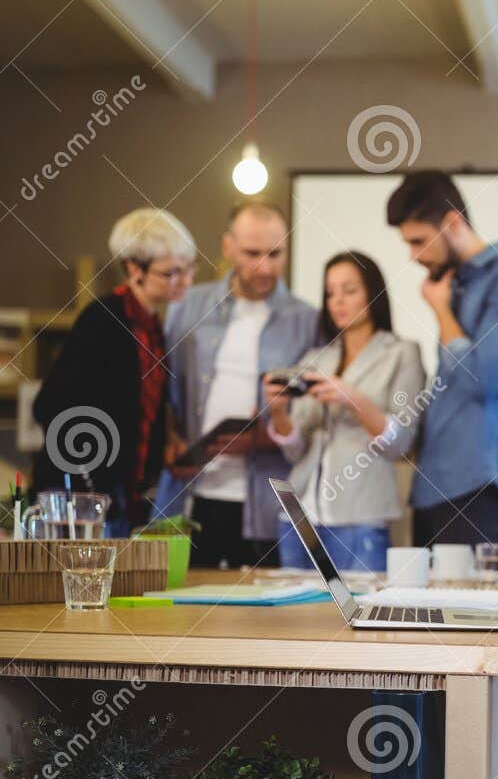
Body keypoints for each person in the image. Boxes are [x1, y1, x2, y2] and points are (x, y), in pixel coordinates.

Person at [386, 170, 498, 547]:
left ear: (453, 223)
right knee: (423, 608)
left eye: (419, 241)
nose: (413, 256)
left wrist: (441, 312)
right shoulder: (456, 282)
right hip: (432, 487)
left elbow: (483, 378)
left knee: (461, 607)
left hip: (474, 489)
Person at [160, 201, 318, 567]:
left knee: (262, 618)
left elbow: (313, 414)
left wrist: (267, 436)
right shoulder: (188, 305)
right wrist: (169, 437)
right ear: (227, 247)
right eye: (252, 253)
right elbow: (165, 383)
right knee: (187, 612)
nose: (265, 266)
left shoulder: (306, 319)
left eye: (275, 253)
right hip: (192, 493)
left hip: (267, 501)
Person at [33, 208, 196, 534]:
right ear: (133, 269)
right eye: (170, 273)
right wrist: (92, 481)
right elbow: (51, 406)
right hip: (81, 498)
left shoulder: (151, 326)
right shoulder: (103, 320)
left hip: (124, 495)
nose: (185, 282)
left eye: (188, 269)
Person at [265, 251, 427, 572]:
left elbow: (399, 444)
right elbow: (295, 452)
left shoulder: (401, 353)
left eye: (349, 290)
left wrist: (352, 398)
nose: (337, 301)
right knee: (293, 621)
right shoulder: (316, 358)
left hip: (361, 517)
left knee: (361, 620)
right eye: (330, 292)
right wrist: (279, 413)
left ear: (373, 293)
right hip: (299, 518)